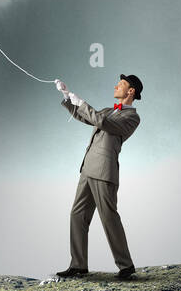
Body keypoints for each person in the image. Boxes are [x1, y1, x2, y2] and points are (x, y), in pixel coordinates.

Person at [53, 73, 143, 279]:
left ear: (131, 91)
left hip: (104, 170)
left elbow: (102, 122)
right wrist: (68, 97)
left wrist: (82, 102)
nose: (116, 86)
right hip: (88, 168)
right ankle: (78, 264)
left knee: (108, 216)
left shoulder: (132, 117)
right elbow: (86, 116)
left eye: (120, 84)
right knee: (77, 214)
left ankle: (126, 265)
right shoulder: (108, 110)